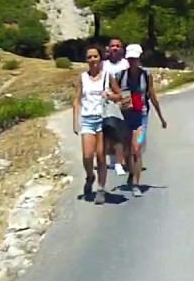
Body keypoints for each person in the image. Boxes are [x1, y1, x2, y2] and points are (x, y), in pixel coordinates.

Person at [71, 44, 121, 203]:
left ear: (101, 58)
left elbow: (119, 95)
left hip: (103, 120)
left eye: (95, 56)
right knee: (87, 156)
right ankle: (90, 176)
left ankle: (101, 189)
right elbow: (77, 100)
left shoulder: (107, 76)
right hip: (87, 120)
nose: (92, 60)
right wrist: (75, 122)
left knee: (101, 156)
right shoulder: (83, 78)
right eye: (89, 57)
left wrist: (110, 96)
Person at [116, 43, 167, 191]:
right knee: (128, 149)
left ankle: (136, 184)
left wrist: (161, 117)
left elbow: (152, 95)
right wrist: (120, 100)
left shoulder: (146, 75)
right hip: (125, 117)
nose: (132, 62)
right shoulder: (120, 76)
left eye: (134, 59)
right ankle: (132, 171)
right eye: (130, 59)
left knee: (137, 148)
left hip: (141, 116)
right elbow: (114, 94)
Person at [101, 38, 130, 177]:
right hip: (110, 101)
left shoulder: (126, 64)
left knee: (127, 130)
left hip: (126, 99)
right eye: (112, 46)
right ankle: (114, 160)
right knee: (111, 130)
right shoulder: (104, 65)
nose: (115, 48)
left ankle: (129, 158)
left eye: (118, 46)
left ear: (122, 49)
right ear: (108, 48)